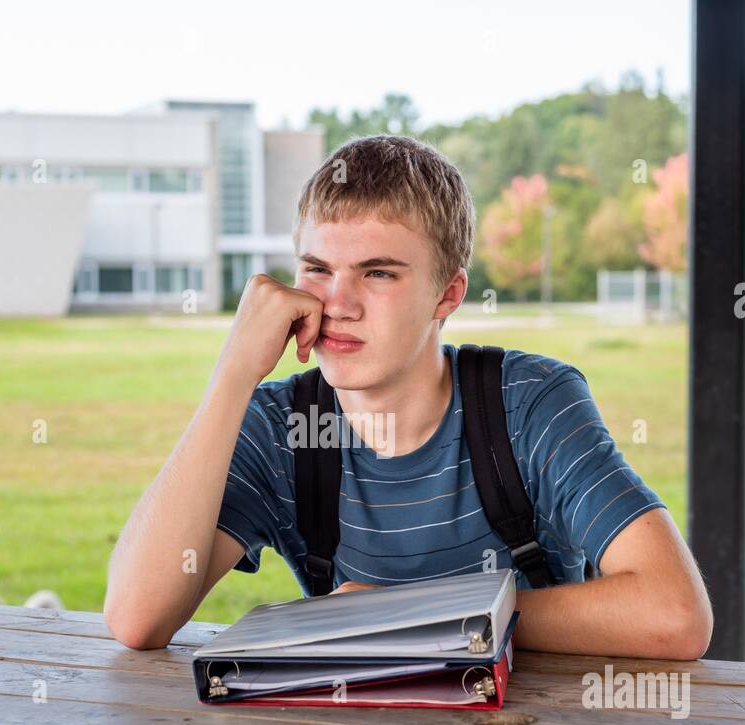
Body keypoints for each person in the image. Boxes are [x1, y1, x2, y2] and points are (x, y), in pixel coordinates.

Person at [106, 134, 712, 659]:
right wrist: (232, 376)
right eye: (317, 268)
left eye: (378, 273)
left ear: (447, 296)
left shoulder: (528, 404)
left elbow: (673, 613)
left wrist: (419, 615)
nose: (337, 304)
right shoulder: (281, 427)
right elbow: (138, 616)